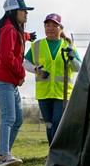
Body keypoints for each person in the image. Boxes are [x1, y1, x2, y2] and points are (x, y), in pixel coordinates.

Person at [24, 12, 82, 144]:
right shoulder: (37, 45)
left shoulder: (69, 46)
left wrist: (72, 57)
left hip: (62, 94)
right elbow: (26, 63)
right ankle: (53, 150)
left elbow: (78, 68)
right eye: (47, 25)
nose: (50, 28)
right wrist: (36, 70)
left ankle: (55, 152)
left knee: (57, 123)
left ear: (60, 28)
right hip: (44, 93)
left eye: (54, 25)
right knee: (49, 124)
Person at [0, 0, 36, 166]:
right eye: (23, 10)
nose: (26, 13)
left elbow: (17, 37)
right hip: (4, 80)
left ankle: (4, 155)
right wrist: (21, 73)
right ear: (12, 12)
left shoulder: (13, 29)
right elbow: (7, 55)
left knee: (17, 119)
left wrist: (27, 36)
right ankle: (3, 156)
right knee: (9, 117)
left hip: (10, 82)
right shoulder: (9, 29)